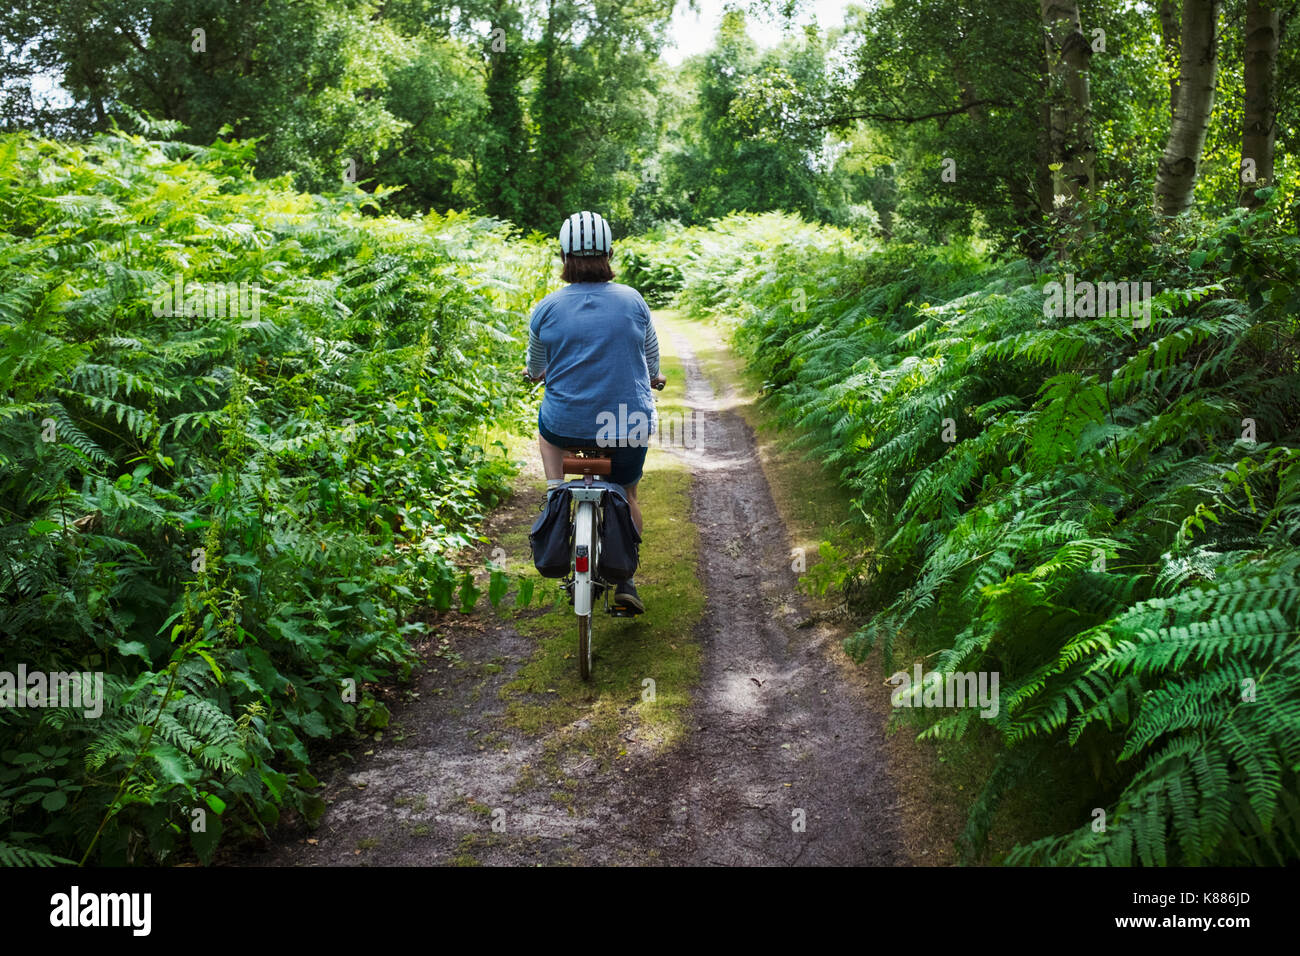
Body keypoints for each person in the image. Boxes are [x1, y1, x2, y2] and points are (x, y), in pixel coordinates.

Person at [524, 211, 665, 615]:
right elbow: (650, 357)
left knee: (548, 430)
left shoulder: (546, 308)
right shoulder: (633, 300)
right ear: (609, 254)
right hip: (626, 424)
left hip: (566, 424)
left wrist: (535, 375)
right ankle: (626, 579)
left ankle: (555, 491)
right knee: (627, 493)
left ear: (563, 256)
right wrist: (654, 378)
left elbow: (536, 368)